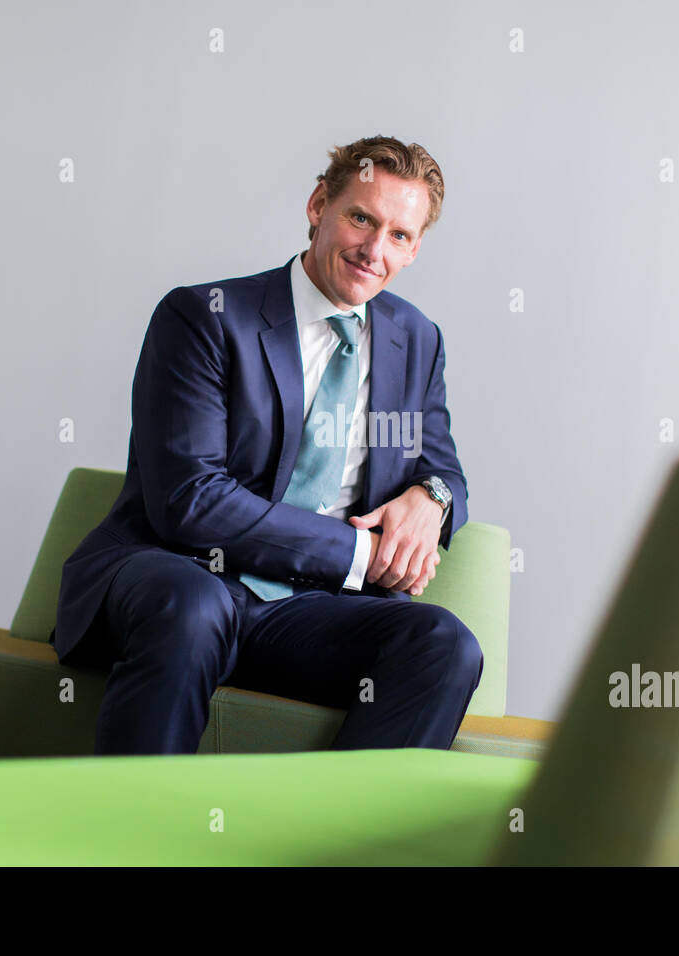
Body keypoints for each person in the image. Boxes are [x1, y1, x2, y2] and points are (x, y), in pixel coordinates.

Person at [49, 135, 482, 754]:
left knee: (445, 644)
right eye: (361, 218)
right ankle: (131, 837)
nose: (373, 250)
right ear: (317, 206)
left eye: (399, 235)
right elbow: (191, 501)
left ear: (414, 249)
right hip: (184, 575)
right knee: (194, 607)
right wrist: (358, 555)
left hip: (307, 615)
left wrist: (431, 497)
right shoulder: (206, 317)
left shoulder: (415, 339)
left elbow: (443, 468)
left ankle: (338, 846)